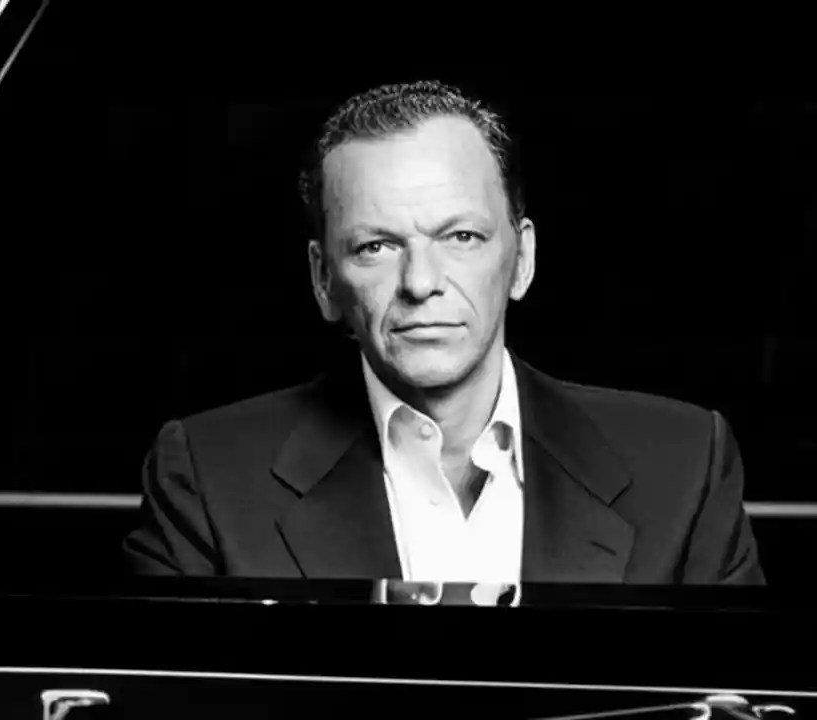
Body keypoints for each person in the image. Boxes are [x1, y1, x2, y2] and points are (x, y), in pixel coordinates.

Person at [121, 79, 764, 585]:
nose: (421, 281)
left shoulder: (684, 468)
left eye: (460, 237)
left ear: (522, 259)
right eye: (376, 245)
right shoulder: (206, 477)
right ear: (324, 280)